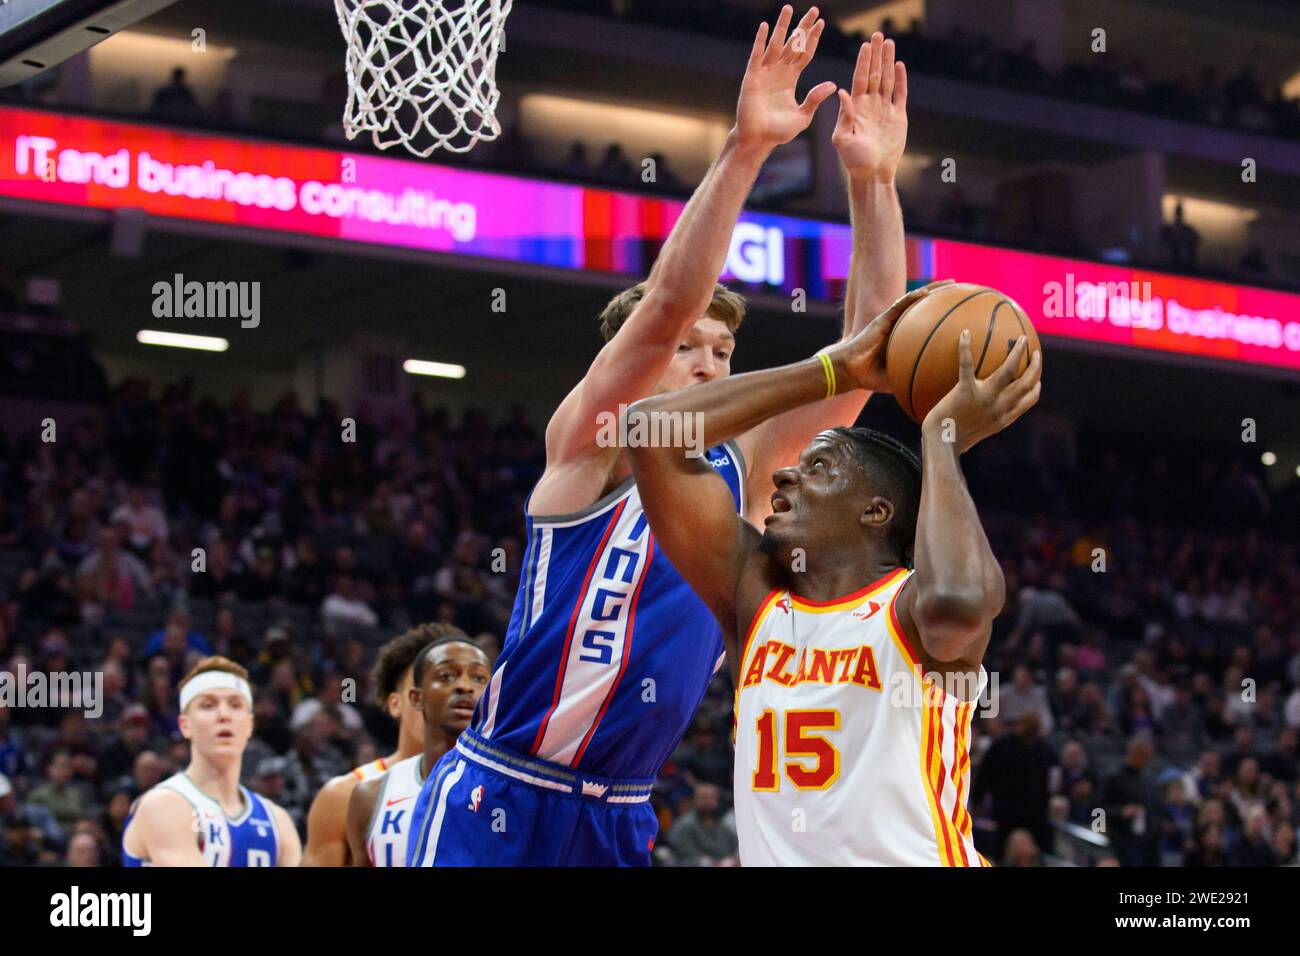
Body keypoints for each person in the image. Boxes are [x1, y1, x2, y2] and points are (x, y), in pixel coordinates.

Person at [409, 11, 907, 868]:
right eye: (690, 351)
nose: (710, 364)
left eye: (725, 352)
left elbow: (865, 359)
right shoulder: (592, 448)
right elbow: (664, 307)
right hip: (502, 792)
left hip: (620, 816)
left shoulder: (742, 470)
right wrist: (747, 149)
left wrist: (874, 182)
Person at [625, 276, 1041, 863]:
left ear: (876, 511)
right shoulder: (756, 595)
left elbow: (957, 602)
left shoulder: (910, 609)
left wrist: (942, 441)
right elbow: (649, 433)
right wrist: (837, 370)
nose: (784, 477)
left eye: (818, 467)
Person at [121, 657, 301, 866]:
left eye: (235, 705)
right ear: (185, 725)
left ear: (250, 724)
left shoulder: (277, 821)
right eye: (208, 705)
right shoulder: (163, 805)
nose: (224, 715)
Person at [346, 631, 489, 867]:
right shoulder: (369, 796)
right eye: (446, 675)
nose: (465, 686)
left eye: (479, 678)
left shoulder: (509, 792)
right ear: (415, 698)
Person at [300, 625, 434, 865]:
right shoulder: (343, 795)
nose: (436, 702)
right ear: (396, 703)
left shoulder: (490, 793)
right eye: (423, 690)